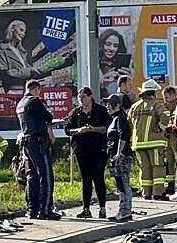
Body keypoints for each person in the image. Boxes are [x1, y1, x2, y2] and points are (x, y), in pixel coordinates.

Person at [63, 86, 111, 218]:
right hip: (81, 149)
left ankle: (102, 208)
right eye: (79, 98)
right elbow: (67, 130)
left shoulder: (100, 111)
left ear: (90, 97)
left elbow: (108, 127)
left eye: (83, 97)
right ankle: (86, 208)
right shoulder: (76, 112)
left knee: (98, 177)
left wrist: (94, 129)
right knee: (86, 179)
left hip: (99, 149)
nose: (81, 100)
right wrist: (79, 130)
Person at [16, 78, 57, 219]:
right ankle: (46, 210)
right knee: (45, 176)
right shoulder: (34, 101)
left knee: (31, 177)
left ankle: (32, 210)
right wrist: (45, 111)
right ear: (36, 89)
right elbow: (48, 117)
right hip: (39, 143)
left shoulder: (20, 103)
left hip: (27, 143)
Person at [128, 79, 171, 199]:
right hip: (155, 143)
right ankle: (157, 193)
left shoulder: (134, 107)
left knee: (144, 168)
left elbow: (129, 123)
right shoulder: (156, 105)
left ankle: (146, 193)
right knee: (158, 167)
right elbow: (165, 115)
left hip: (138, 144)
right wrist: (161, 127)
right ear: (153, 93)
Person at [105, 92, 134, 221]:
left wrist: (119, 153)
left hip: (122, 157)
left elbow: (124, 136)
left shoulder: (120, 118)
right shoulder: (115, 118)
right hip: (116, 157)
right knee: (120, 184)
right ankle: (123, 210)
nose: (107, 106)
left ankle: (125, 211)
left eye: (109, 104)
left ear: (116, 105)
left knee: (123, 184)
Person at [0, 19, 45, 89]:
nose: (23, 34)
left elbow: (25, 68)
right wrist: (29, 71)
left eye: (24, 32)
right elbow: (5, 73)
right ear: (12, 29)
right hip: (10, 90)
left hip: (25, 89)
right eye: (21, 30)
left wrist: (36, 69)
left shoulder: (20, 50)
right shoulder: (1, 48)